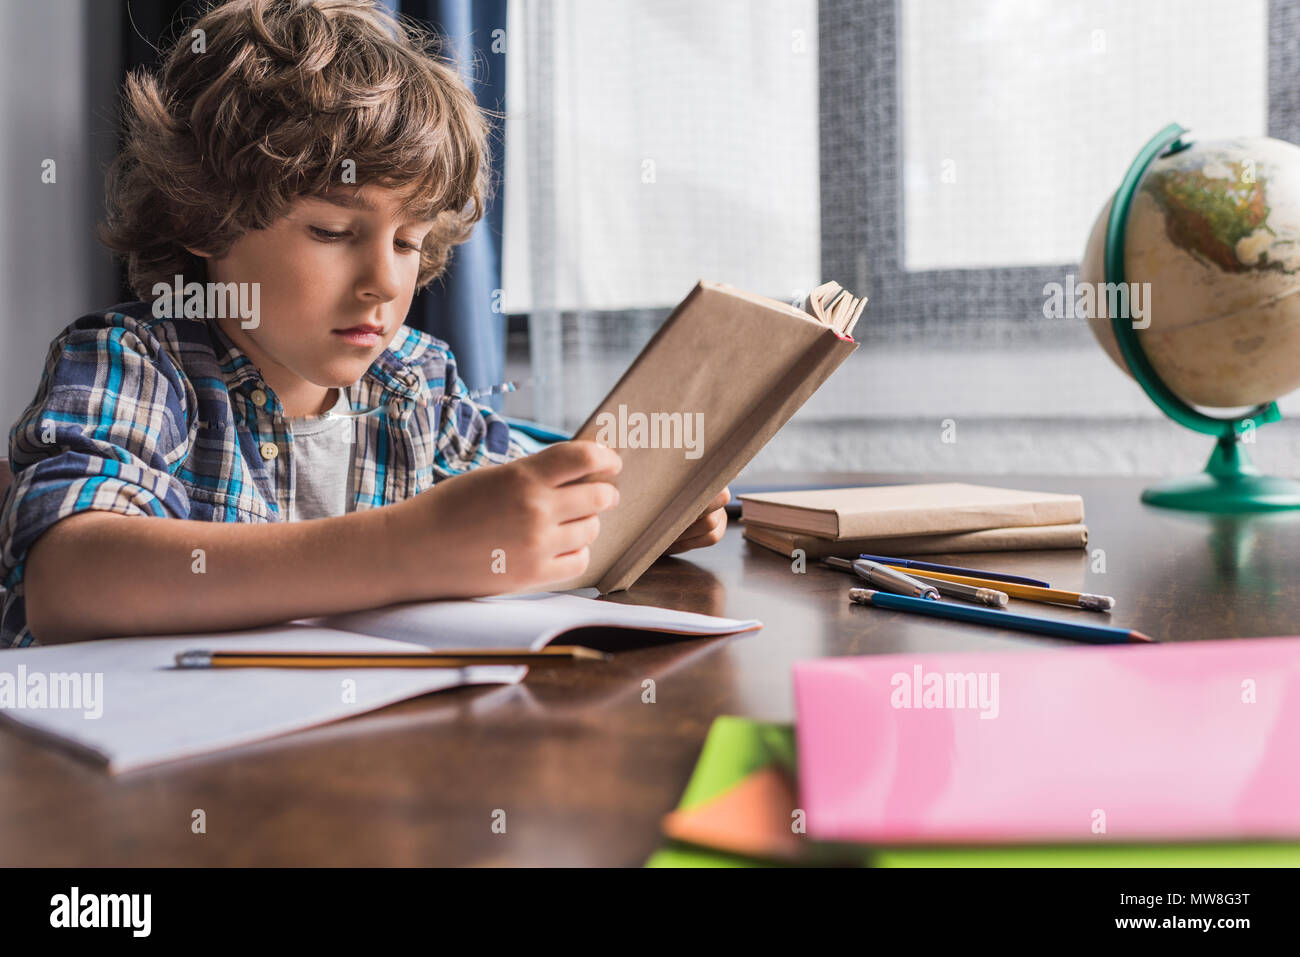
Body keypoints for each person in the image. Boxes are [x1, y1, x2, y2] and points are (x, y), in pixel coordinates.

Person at [0, 0, 727, 648]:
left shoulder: (417, 379)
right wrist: (405, 546)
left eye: (408, 242)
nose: (384, 281)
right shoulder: (134, 362)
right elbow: (68, 580)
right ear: (200, 217)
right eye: (331, 231)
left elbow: (516, 514)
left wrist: (631, 515)